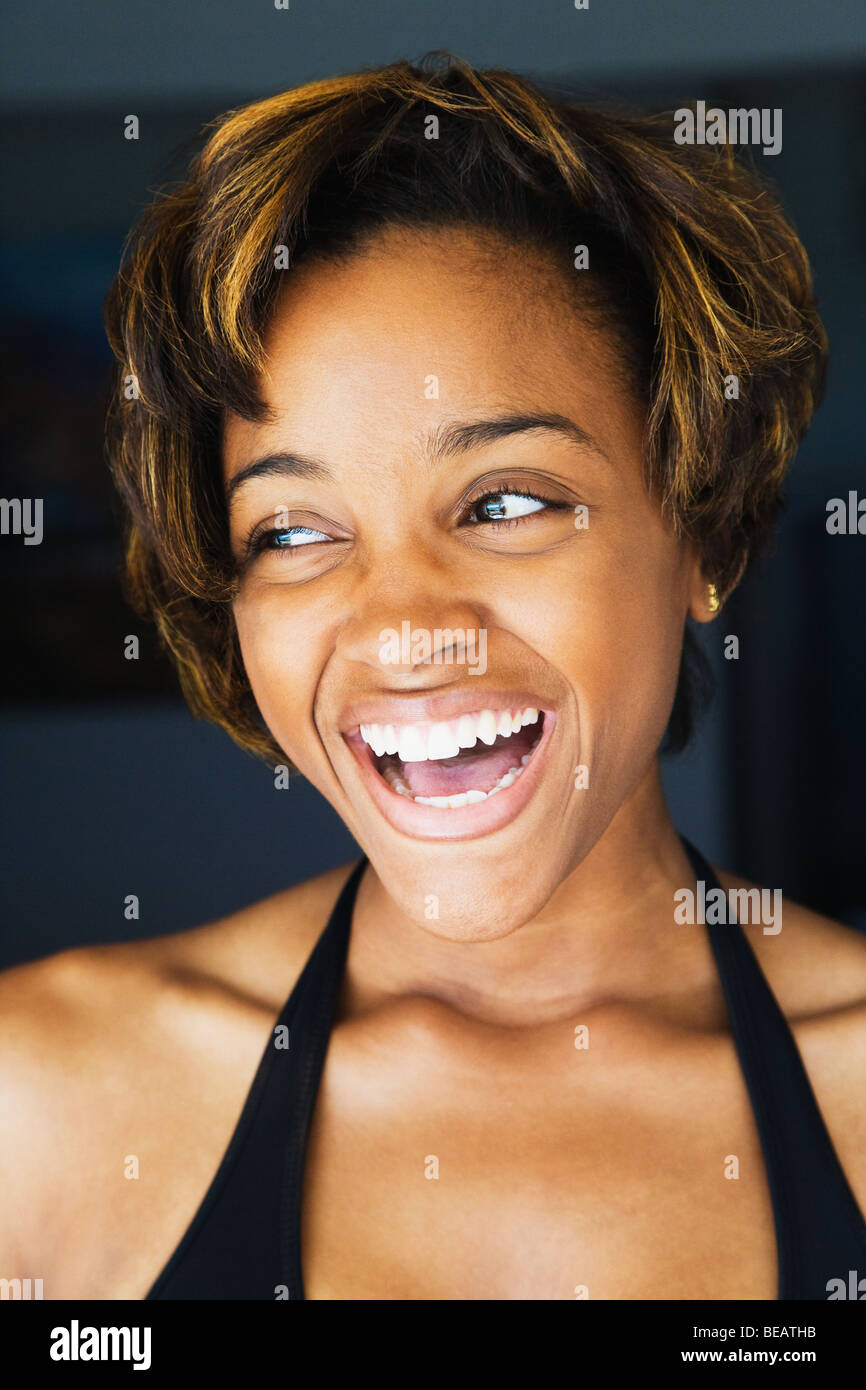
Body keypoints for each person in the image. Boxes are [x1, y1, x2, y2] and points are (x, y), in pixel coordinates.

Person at [2, 55, 865, 1301]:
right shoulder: (42, 1098)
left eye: (506, 501)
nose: (400, 624)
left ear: (707, 537)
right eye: (291, 531)